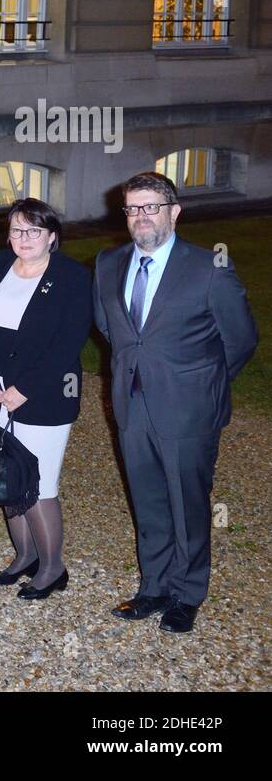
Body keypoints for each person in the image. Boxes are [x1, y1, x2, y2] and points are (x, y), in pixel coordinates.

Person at [94, 172, 256, 633]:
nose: (141, 217)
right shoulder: (108, 264)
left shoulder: (209, 268)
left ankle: (187, 594)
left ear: (174, 211)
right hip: (131, 403)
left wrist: (201, 385)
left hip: (188, 408)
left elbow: (240, 340)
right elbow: (109, 329)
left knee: (187, 502)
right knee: (147, 499)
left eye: (151, 207)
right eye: (132, 208)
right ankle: (154, 587)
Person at [0, 198, 92, 599]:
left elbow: (68, 343)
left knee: (39, 484)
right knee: (8, 475)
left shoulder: (72, 276)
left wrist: (25, 389)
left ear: (52, 236)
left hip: (44, 395)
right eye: (17, 230)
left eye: (34, 231)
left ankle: (53, 568)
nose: (24, 238)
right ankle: (25, 556)